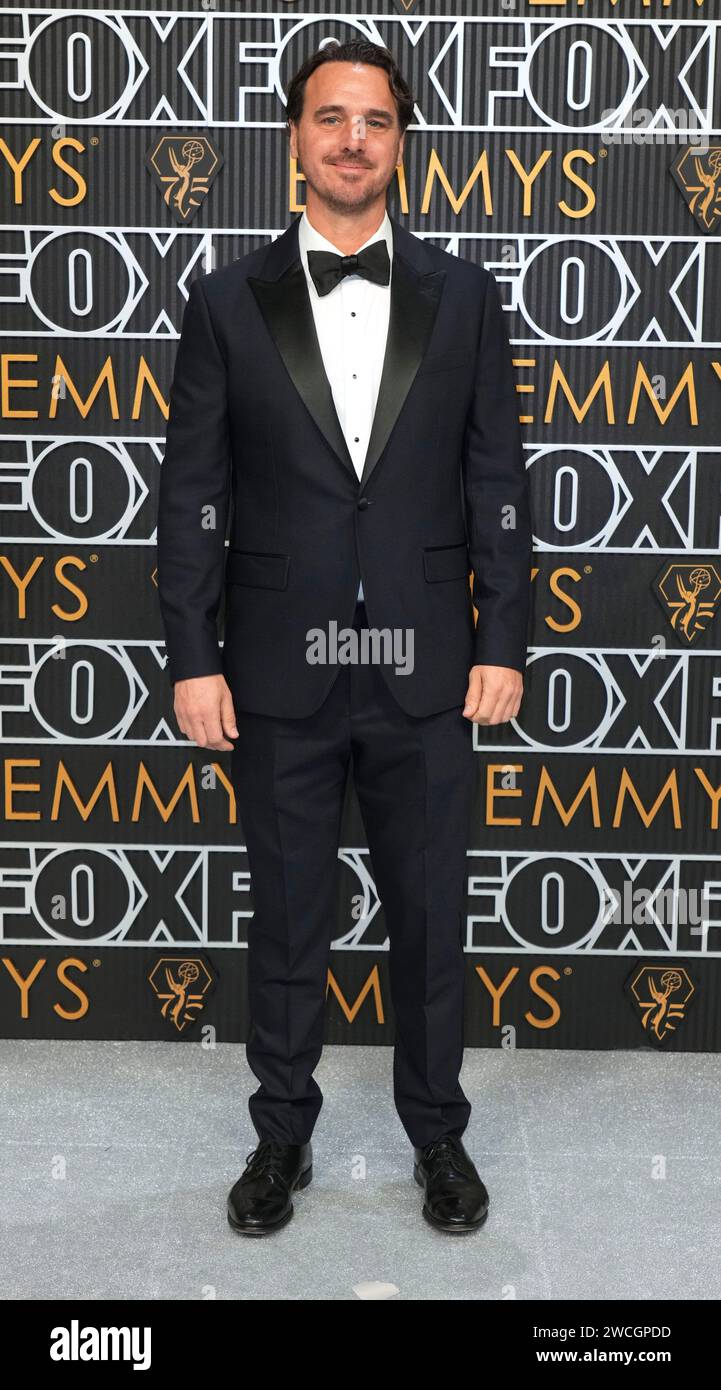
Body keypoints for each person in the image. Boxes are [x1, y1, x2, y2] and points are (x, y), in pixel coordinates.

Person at [156, 39, 533, 1237]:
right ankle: (282, 1137)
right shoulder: (225, 300)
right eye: (331, 118)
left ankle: (439, 1139)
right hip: (276, 669)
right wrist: (194, 655)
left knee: (430, 919)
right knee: (285, 917)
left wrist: (503, 639)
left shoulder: (465, 295)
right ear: (294, 142)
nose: (352, 139)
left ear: (401, 143)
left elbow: (497, 481)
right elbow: (190, 491)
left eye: (374, 120)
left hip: (427, 668)